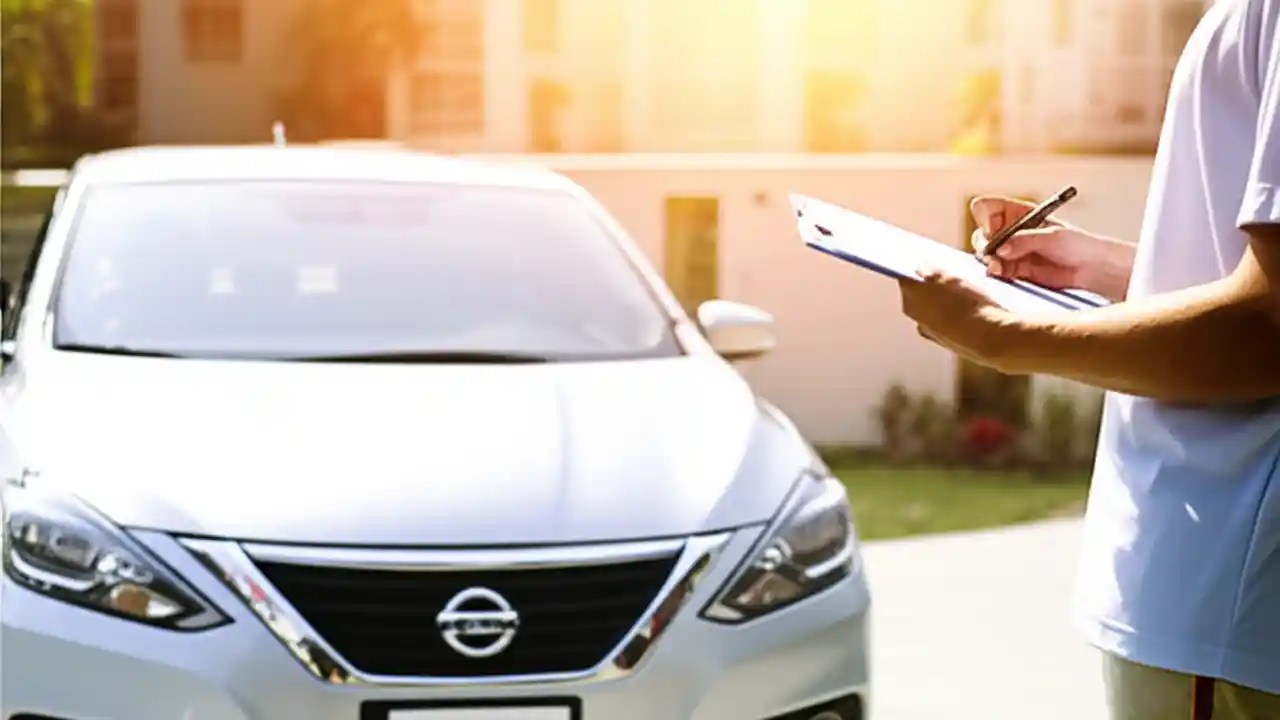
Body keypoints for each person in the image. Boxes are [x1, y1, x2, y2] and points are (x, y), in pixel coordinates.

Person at [897, 0, 1280, 718]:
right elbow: (1250, 276)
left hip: (1222, 596)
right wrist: (1099, 266)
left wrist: (1002, 338)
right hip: (1216, 601)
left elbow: (1268, 328)